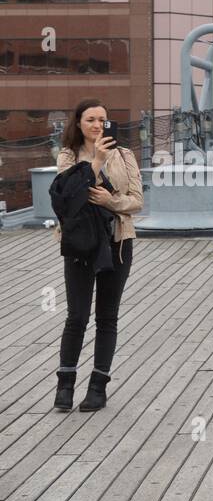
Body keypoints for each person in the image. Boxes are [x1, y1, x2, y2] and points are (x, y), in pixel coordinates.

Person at [53, 99, 143, 413]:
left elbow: (136, 202)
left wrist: (110, 201)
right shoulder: (68, 156)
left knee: (107, 317)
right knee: (77, 316)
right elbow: (69, 199)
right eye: (90, 119)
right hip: (80, 245)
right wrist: (95, 163)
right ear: (78, 123)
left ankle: (98, 387)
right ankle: (65, 385)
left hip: (117, 243)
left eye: (102, 120)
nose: (97, 125)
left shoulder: (125, 155)